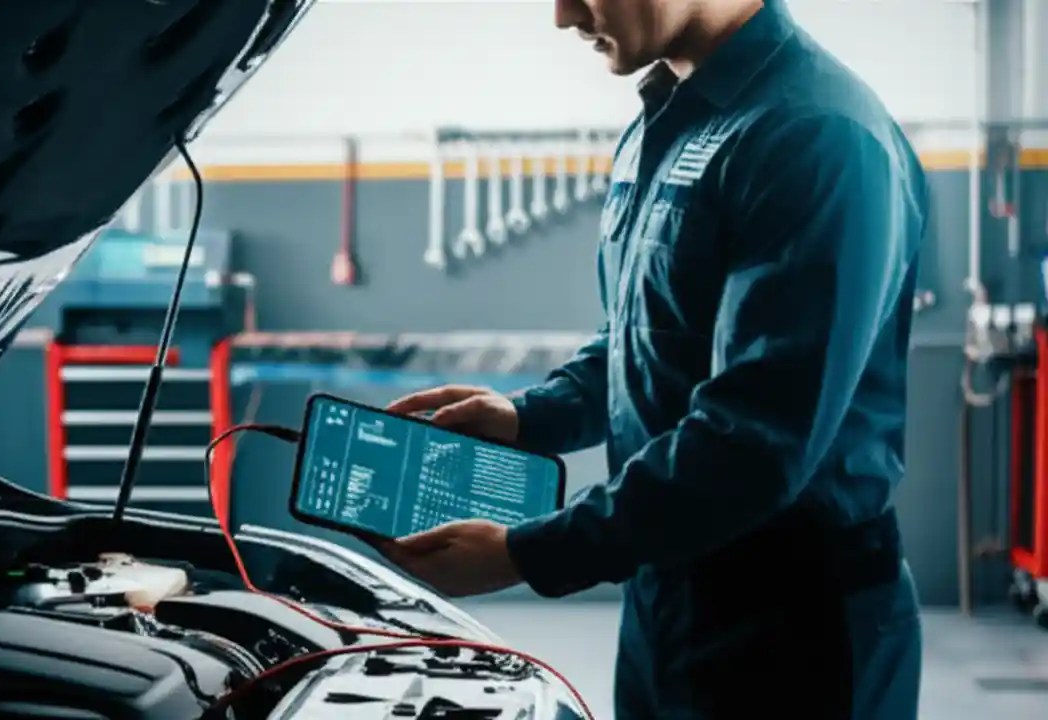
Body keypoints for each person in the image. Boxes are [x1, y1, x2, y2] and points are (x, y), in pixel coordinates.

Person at [378, 0, 927, 717]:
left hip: (793, 630)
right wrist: (523, 418)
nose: (563, 16)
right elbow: (641, 337)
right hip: (667, 594)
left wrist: (527, 553)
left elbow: (754, 443)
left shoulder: (817, 135)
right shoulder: (664, 123)